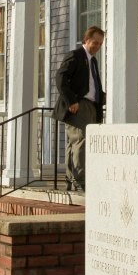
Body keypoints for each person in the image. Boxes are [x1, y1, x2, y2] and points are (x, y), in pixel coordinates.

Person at [54, 26, 105, 192]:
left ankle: (71, 179)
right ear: (86, 40)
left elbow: (91, 84)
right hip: (78, 105)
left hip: (91, 105)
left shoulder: (93, 60)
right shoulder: (75, 55)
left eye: (100, 44)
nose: (97, 46)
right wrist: (71, 101)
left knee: (75, 143)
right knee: (80, 141)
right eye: (95, 42)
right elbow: (60, 78)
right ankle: (80, 180)